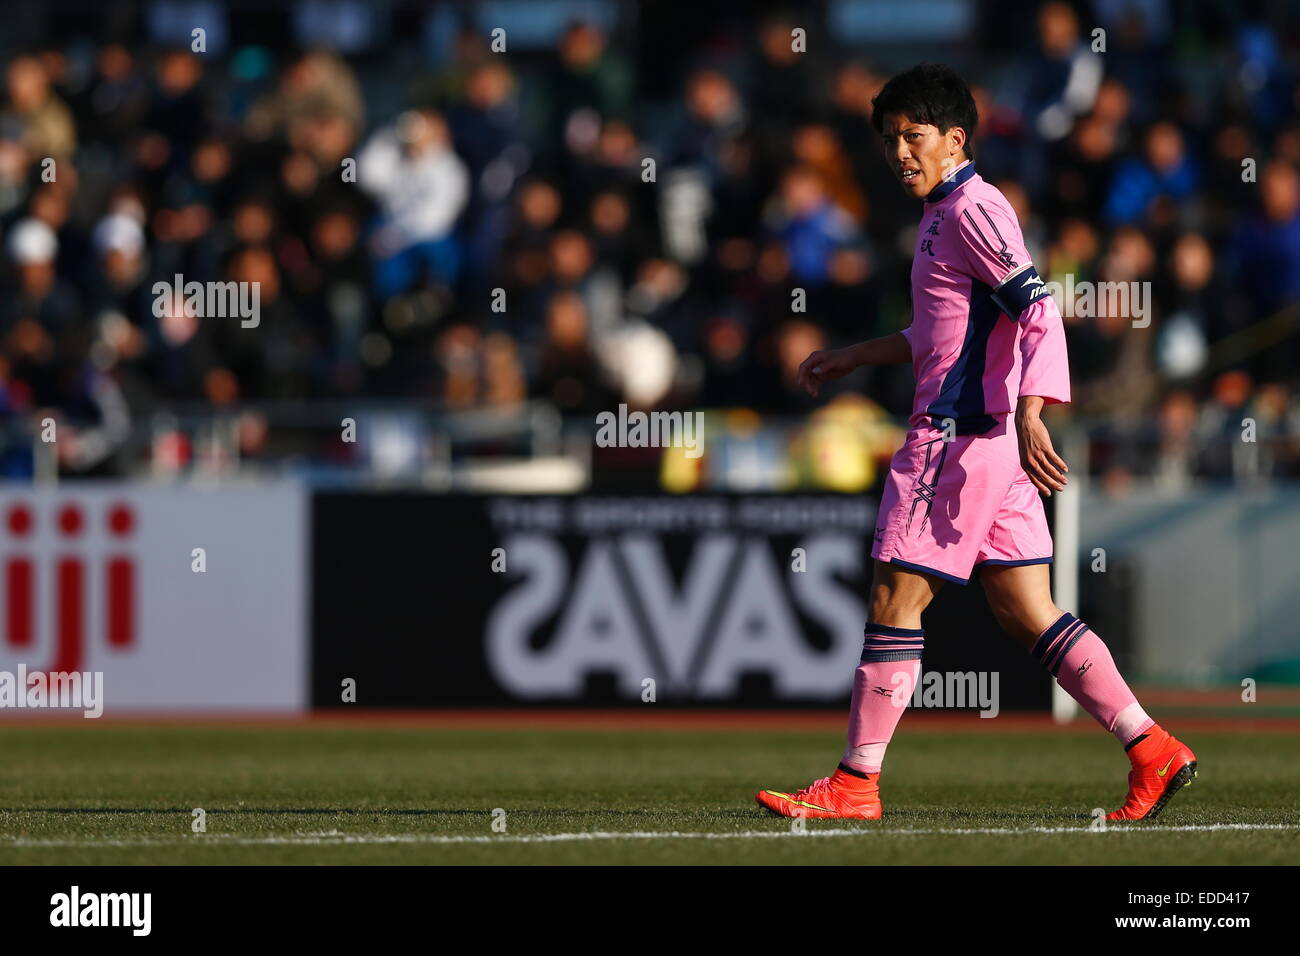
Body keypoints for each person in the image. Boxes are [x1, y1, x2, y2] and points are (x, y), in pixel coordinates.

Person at [756, 64, 1196, 823]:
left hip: (957, 443)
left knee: (896, 598)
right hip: (991, 445)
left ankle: (856, 783)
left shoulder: (972, 209)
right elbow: (944, 334)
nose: (899, 151)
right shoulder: (941, 213)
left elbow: (1039, 311)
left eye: (913, 136)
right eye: (890, 138)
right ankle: (1151, 746)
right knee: (1029, 611)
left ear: (955, 138)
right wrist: (856, 354)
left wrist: (1034, 409)